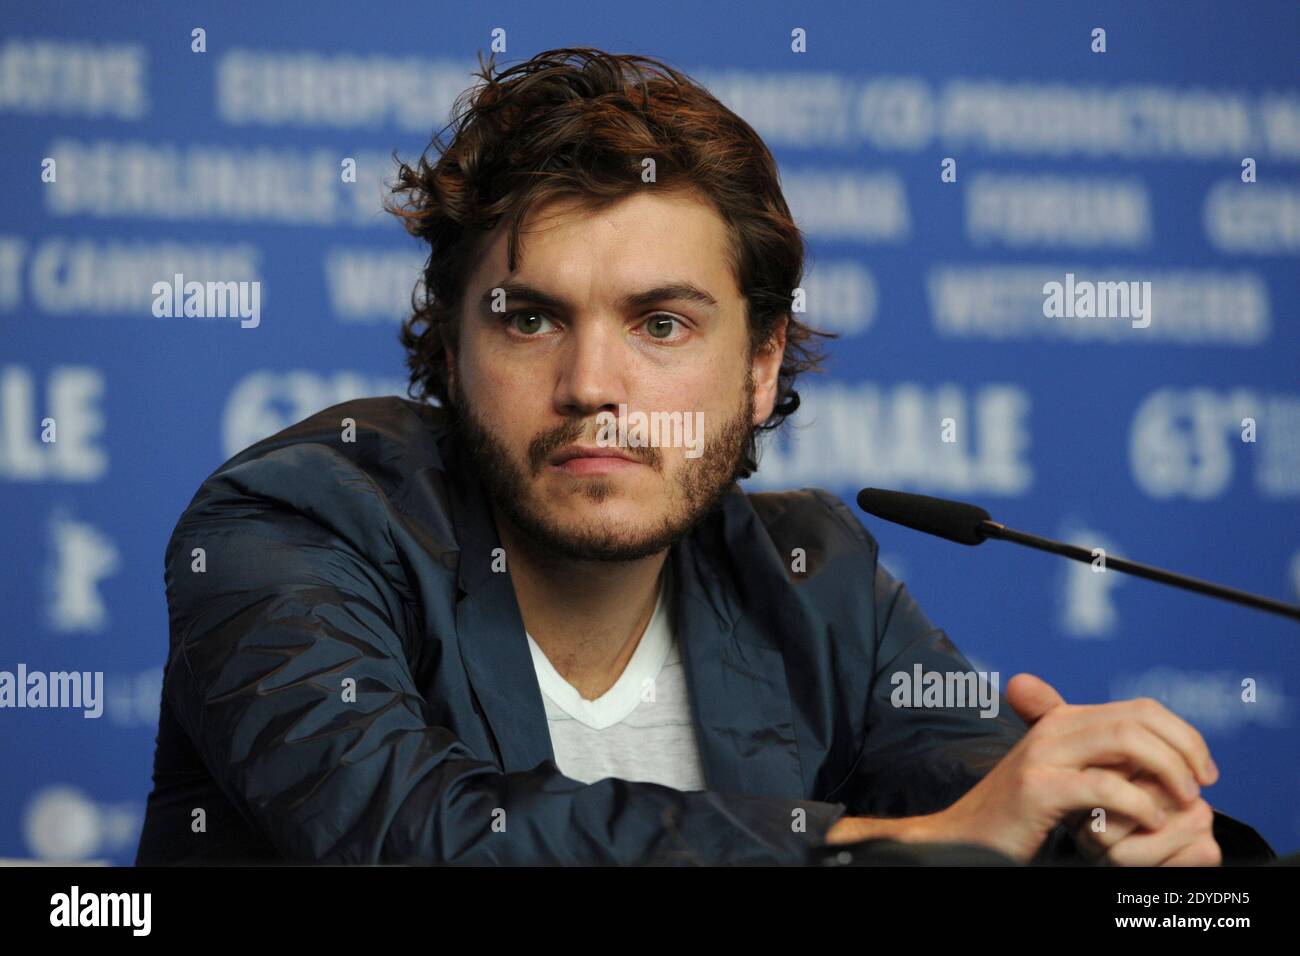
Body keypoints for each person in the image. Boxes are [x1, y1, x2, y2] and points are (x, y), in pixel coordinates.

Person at [136, 47, 1236, 867]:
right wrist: (889, 842)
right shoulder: (293, 521)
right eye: (529, 319)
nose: (591, 385)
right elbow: (416, 835)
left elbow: (983, 789)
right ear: (453, 349)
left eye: (661, 324)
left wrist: (1111, 832)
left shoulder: (814, 576)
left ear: (759, 366)